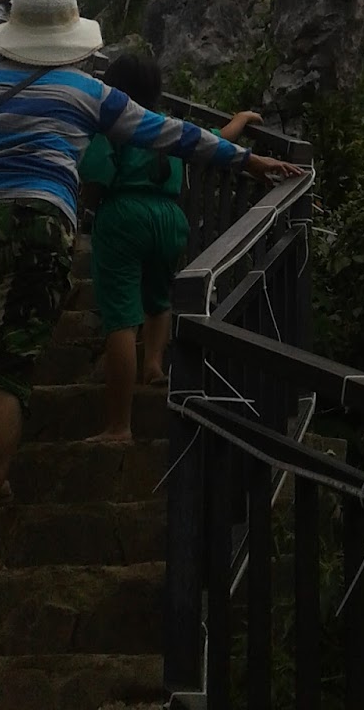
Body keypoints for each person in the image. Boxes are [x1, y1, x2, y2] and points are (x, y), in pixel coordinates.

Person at [0, 0, 302, 570]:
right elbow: (172, 133)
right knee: (6, 370)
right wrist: (246, 159)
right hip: (39, 223)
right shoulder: (87, 91)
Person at [80, 52, 266, 442]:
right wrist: (243, 119)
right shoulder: (170, 126)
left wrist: (88, 209)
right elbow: (216, 140)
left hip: (124, 214)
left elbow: (96, 176)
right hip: (169, 218)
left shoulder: (114, 127)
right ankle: (153, 365)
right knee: (159, 297)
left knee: (121, 318)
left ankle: (119, 425)